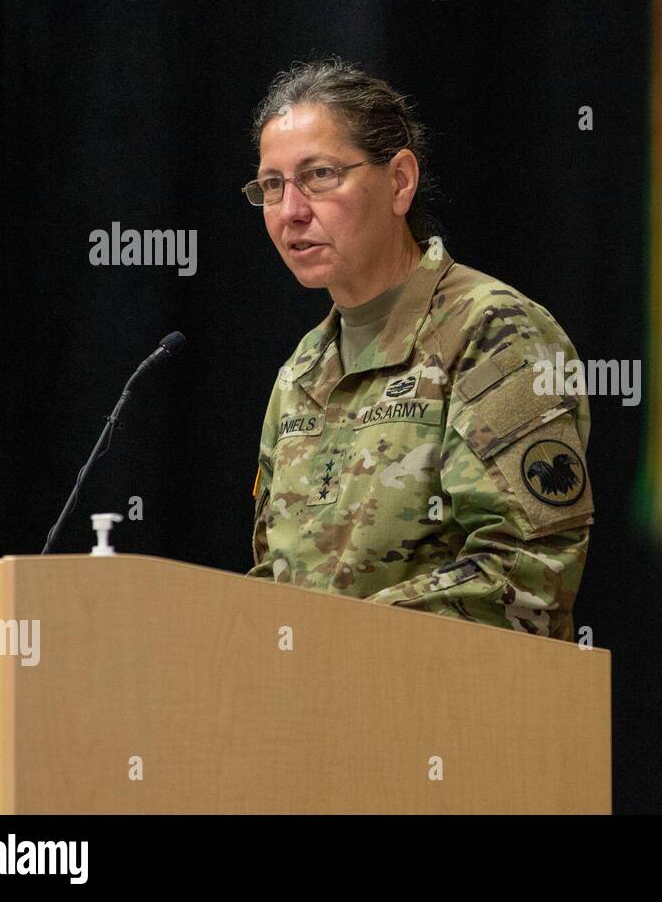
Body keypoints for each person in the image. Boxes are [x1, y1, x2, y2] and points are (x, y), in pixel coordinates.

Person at [243, 58, 592, 641]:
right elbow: (269, 576)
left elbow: (525, 573)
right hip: (309, 718)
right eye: (272, 185)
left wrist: (322, 646)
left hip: (453, 714)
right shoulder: (301, 369)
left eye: (319, 175)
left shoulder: (494, 331)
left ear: (400, 181)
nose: (291, 211)